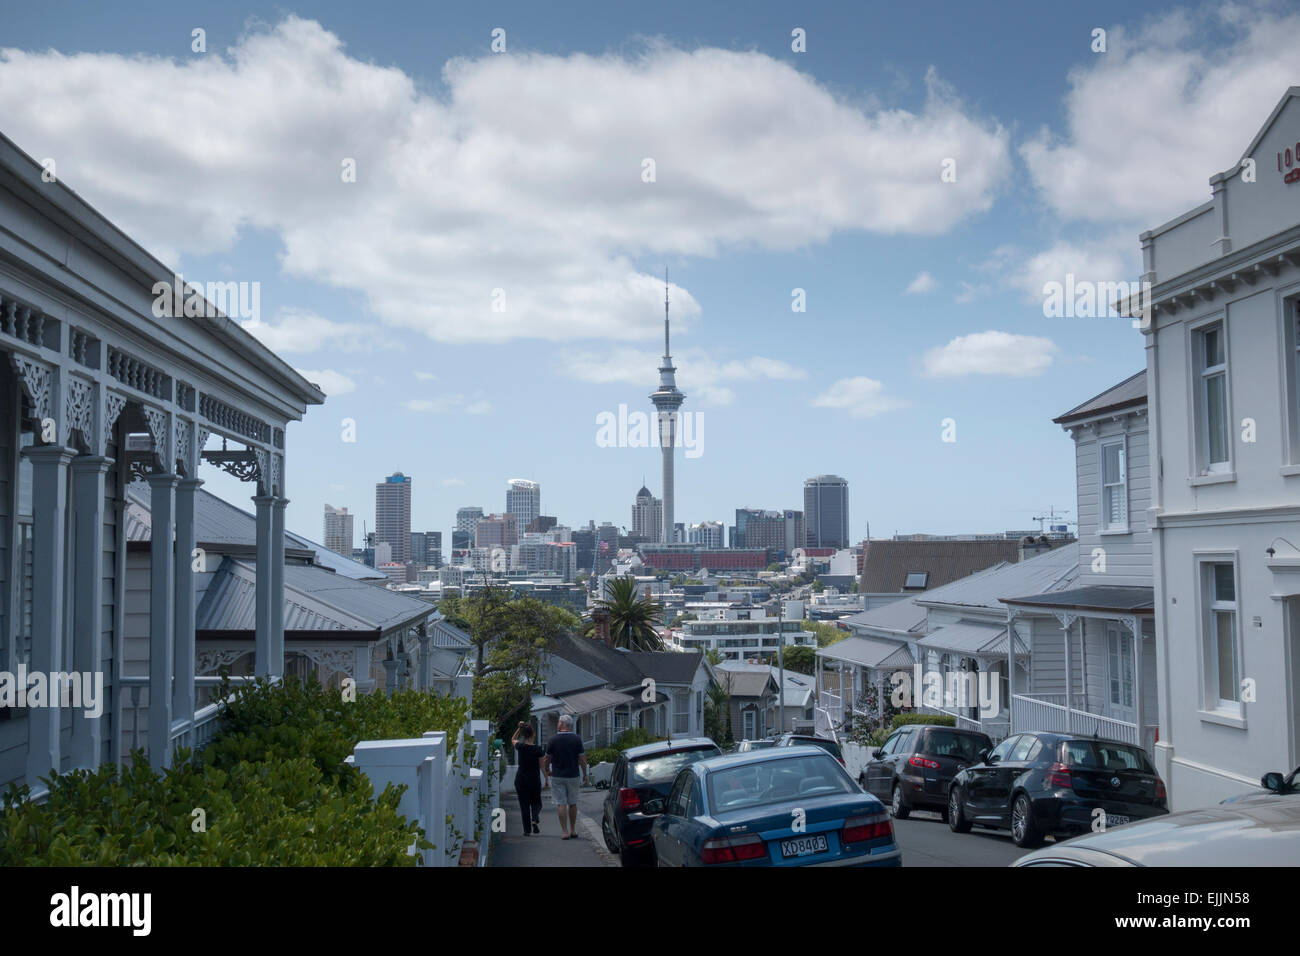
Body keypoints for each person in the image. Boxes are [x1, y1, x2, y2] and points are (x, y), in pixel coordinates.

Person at [541, 714, 589, 840]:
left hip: (557, 775)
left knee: (561, 803)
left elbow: (547, 758)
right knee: (572, 803)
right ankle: (573, 830)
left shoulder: (553, 740)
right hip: (573, 775)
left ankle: (564, 831)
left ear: (562, 724)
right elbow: (582, 759)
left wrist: (547, 770)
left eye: (558, 722)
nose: (557, 724)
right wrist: (584, 773)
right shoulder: (577, 739)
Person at [511, 722, 544, 836]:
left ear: (523, 736)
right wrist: (547, 779)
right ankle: (534, 819)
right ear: (533, 734)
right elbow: (542, 766)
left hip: (521, 779)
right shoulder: (538, 749)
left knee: (524, 804)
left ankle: (527, 830)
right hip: (534, 779)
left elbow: (513, 739)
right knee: (536, 802)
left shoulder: (520, 746)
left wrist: (519, 728)